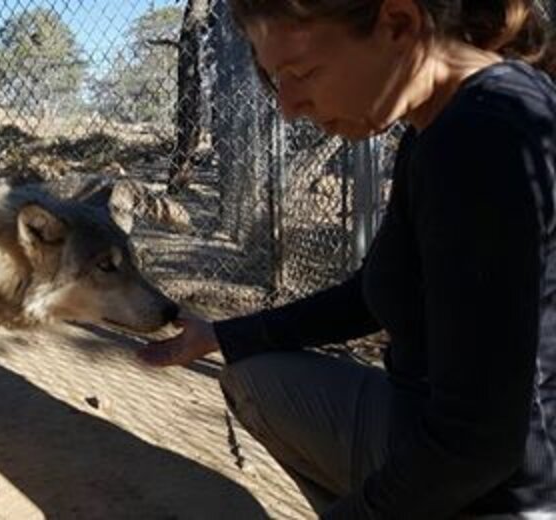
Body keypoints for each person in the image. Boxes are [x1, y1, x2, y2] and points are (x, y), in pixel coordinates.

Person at [137, 0, 556, 518]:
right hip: (428, 428)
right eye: (275, 79)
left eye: (301, 72)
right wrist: (225, 337)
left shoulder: (482, 137)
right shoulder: (441, 120)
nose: (287, 106)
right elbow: (375, 289)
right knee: (257, 380)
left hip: (507, 493)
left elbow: (482, 443)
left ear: (398, 24)